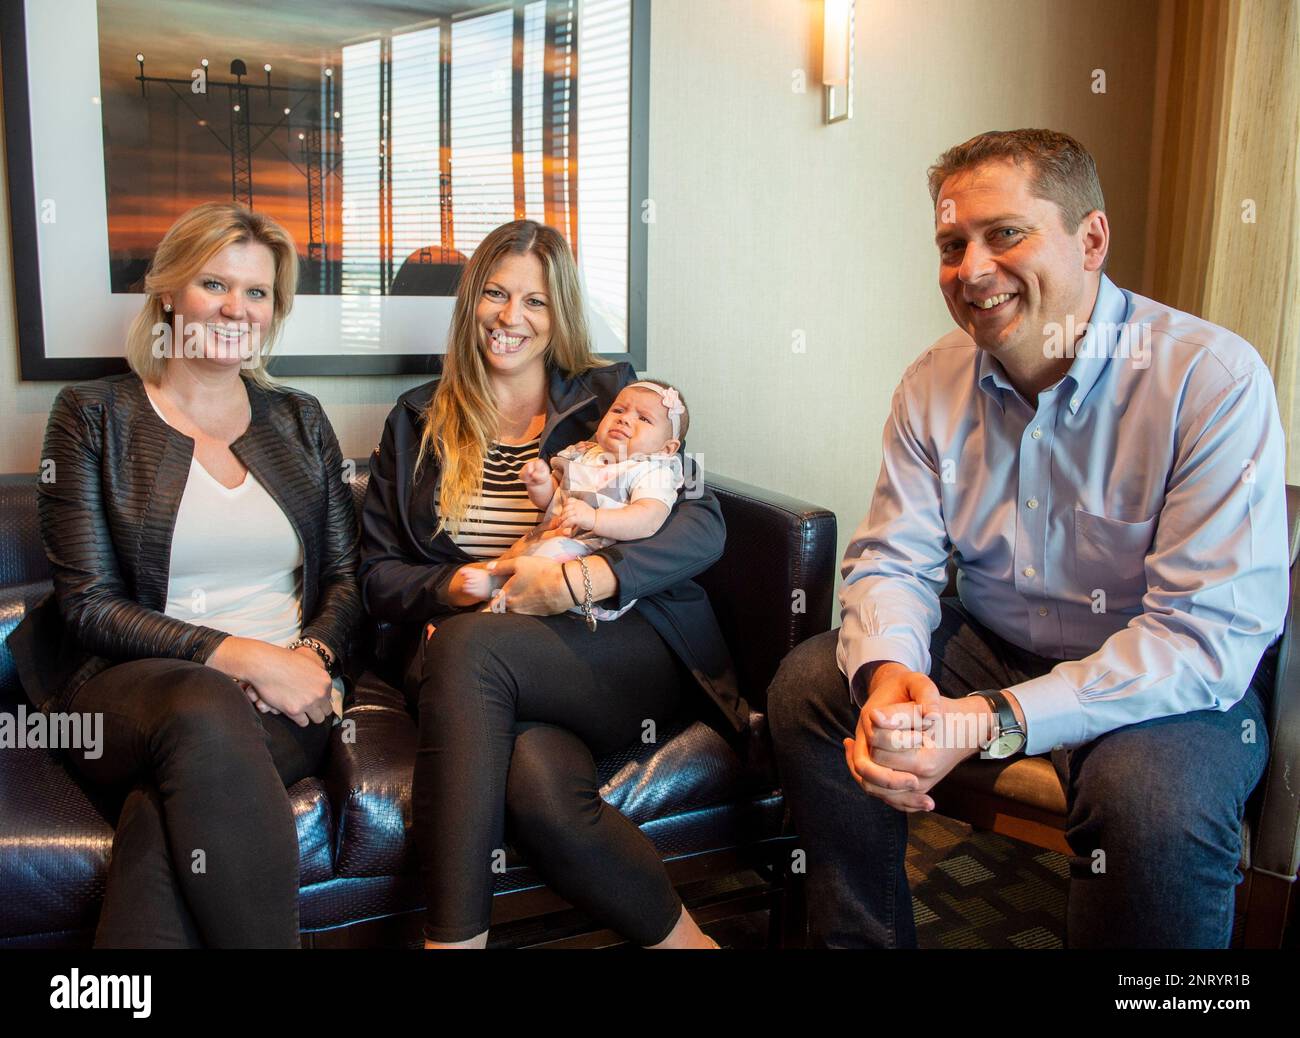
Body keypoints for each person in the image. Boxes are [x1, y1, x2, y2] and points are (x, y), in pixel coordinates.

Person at [767, 129, 1289, 949]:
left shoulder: (1209, 380)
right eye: (951, 244)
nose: (971, 269)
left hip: (1165, 678)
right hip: (992, 641)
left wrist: (983, 721)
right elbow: (893, 558)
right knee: (809, 688)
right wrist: (892, 673)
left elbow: (1201, 637)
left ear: (1091, 240)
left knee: (1149, 800)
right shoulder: (931, 381)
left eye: (1005, 233)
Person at [358, 219, 747, 949]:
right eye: (497, 295)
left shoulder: (611, 395)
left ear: (558, 311)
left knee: (470, 653)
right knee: (539, 782)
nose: (512, 318)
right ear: (471, 301)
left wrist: (580, 578)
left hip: (616, 646)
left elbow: (704, 526)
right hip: (502, 657)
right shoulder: (415, 419)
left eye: (535, 302)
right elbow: (378, 578)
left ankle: (452, 945)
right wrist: (468, 584)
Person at [8, 202, 360, 948]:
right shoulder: (92, 415)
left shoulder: (300, 419)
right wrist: (240, 657)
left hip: (286, 698)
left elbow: (346, 583)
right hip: (127, 687)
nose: (237, 308)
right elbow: (89, 606)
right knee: (202, 703)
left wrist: (309, 660)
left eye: (258, 293)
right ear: (169, 291)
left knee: (158, 819)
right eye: (214, 283)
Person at [459, 378, 689, 623]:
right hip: (557, 542)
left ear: (667, 449)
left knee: (541, 559)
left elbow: (647, 519)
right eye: (618, 410)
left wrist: (594, 519)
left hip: (593, 564)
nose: (625, 418)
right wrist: (540, 483)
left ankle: (491, 600)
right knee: (530, 551)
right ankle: (487, 602)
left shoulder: (651, 471)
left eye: (644, 418)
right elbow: (552, 501)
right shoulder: (586, 454)